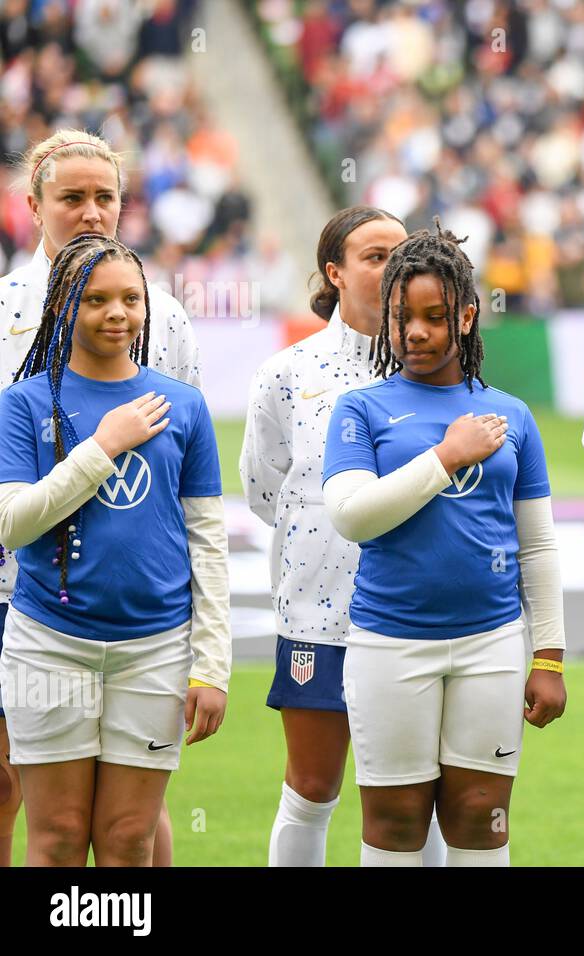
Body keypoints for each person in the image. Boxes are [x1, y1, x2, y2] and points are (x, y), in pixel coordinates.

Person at [322, 224, 566, 867]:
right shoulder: (359, 408)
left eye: (434, 317)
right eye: (402, 317)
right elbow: (352, 517)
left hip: (492, 644)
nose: (416, 333)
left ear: (466, 314)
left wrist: (549, 657)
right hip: (388, 642)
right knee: (395, 823)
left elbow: (537, 547)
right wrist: (445, 456)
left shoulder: (511, 414)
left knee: (479, 822)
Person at [0, 129, 201, 867]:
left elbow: (184, 461)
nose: (90, 212)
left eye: (105, 197)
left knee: (137, 814)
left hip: (129, 598)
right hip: (16, 588)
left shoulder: (165, 313)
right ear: (32, 205)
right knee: (7, 785)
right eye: (71, 197)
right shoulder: (2, 306)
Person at [241, 206, 451, 866]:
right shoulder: (288, 373)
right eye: (375, 255)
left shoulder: (439, 369)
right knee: (311, 787)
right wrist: (330, 539)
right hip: (318, 613)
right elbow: (264, 488)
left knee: (423, 798)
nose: (394, 267)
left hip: (422, 614)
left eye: (403, 253)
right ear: (335, 272)